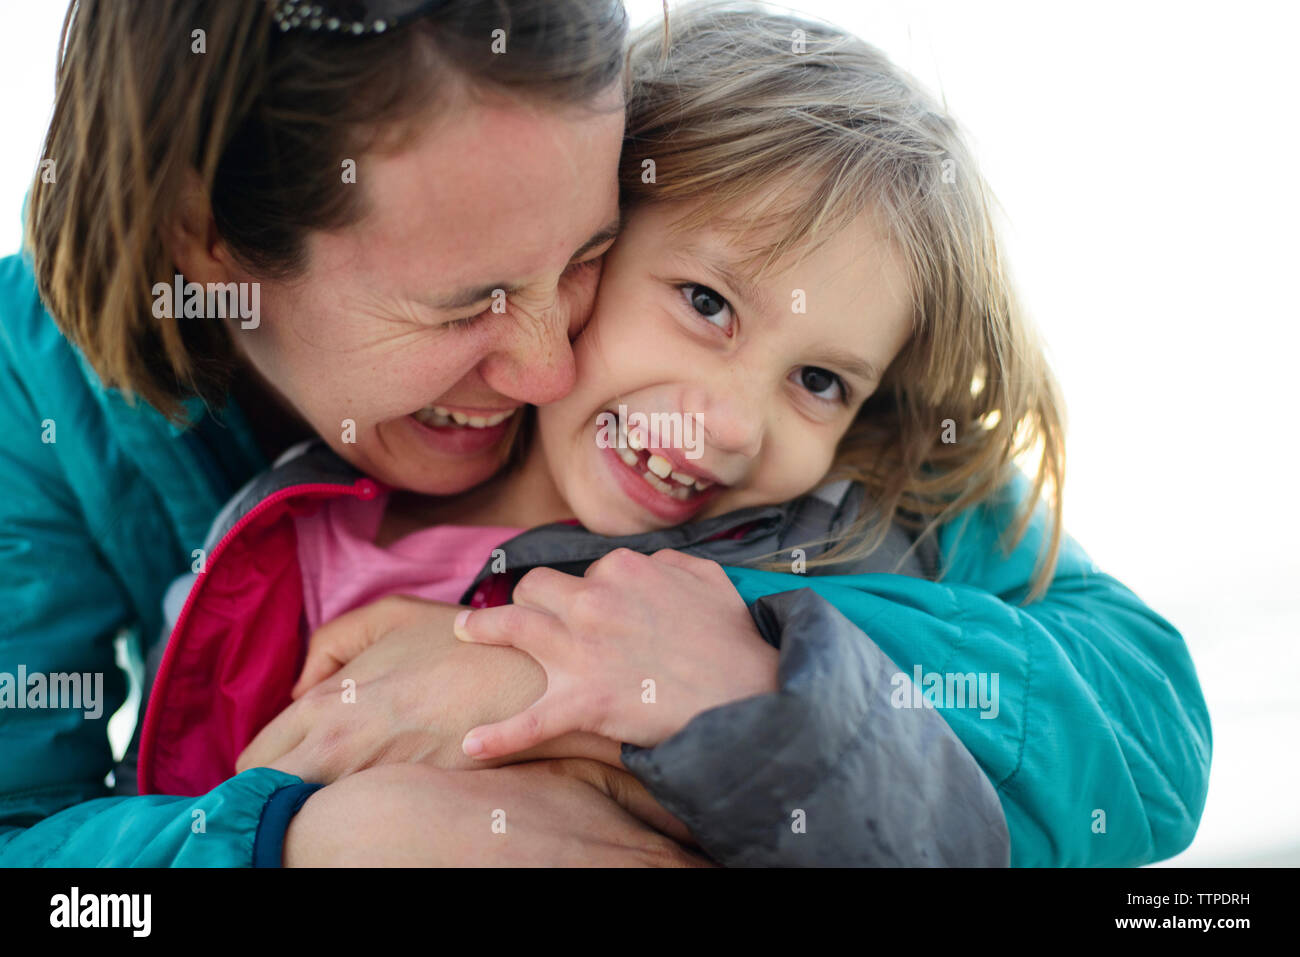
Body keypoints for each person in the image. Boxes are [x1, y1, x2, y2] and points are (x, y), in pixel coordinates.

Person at [218, 5, 1208, 867]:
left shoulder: (882, 525)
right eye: (705, 302)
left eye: (820, 380)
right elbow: (181, 816)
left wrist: (722, 664)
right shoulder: (304, 545)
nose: (732, 422)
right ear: (587, 244)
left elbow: (1152, 747)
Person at [0, 0, 716, 867]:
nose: (550, 372)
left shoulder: (683, 192)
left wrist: (600, 665)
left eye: (586, 259)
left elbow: (920, 599)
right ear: (203, 235)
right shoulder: (27, 394)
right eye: (463, 308)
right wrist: (302, 842)